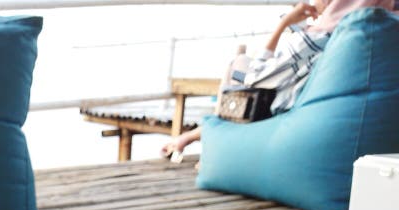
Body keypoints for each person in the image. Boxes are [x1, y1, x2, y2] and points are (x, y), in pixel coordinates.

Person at [160, 0, 395, 159]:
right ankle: (193, 135)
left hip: (288, 112)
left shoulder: (317, 37)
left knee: (239, 66)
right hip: (358, 117)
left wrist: (283, 25)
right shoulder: (384, 27)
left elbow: (256, 78)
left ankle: (210, 144)